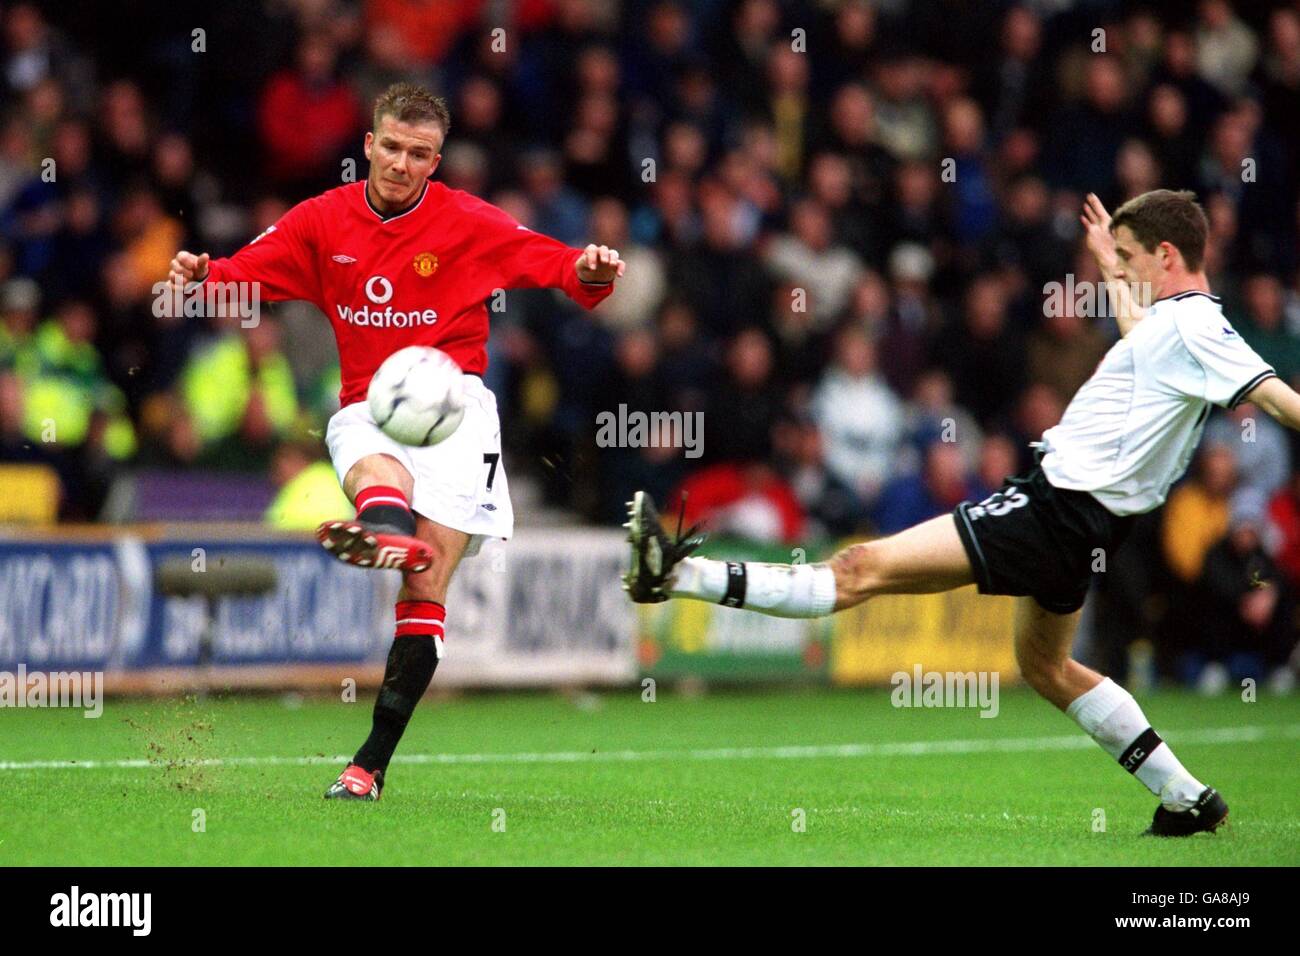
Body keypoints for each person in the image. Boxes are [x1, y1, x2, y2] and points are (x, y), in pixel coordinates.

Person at [624, 189, 1300, 836]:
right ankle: (1187, 798)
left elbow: (1273, 395)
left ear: (1166, 255)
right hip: (1079, 516)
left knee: (861, 569)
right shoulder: (1173, 329)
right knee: (1047, 669)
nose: (1117, 267)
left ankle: (679, 576)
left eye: (1127, 255)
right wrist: (1106, 266)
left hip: (1056, 509)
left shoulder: (1200, 327)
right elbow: (1143, 339)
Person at [168, 83, 624, 801]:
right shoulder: (323, 220)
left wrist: (589, 270)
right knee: (362, 440)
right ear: (369, 146)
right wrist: (203, 276)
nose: (402, 164)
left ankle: (369, 763)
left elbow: (553, 262)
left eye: (419, 154)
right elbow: (247, 269)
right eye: (392, 147)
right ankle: (385, 526)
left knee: (423, 587)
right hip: (368, 403)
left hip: (457, 413)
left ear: (435, 161)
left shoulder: (468, 222)